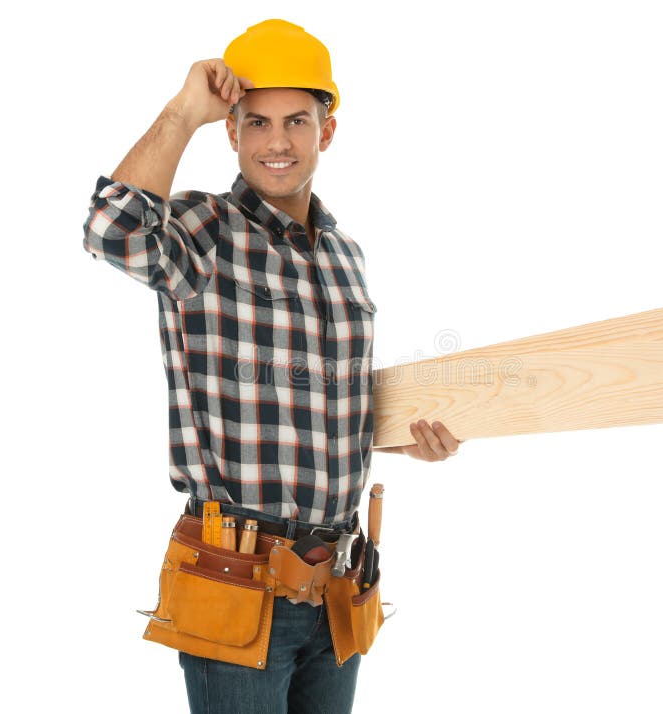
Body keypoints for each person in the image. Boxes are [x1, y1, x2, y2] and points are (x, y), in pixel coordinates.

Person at [82, 19, 462, 714]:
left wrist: (399, 435)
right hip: (238, 582)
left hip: (339, 586)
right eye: (255, 122)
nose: (277, 142)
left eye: (296, 121)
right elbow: (111, 230)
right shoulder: (201, 232)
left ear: (328, 130)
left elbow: (331, 396)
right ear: (230, 132)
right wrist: (183, 110)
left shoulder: (346, 256)